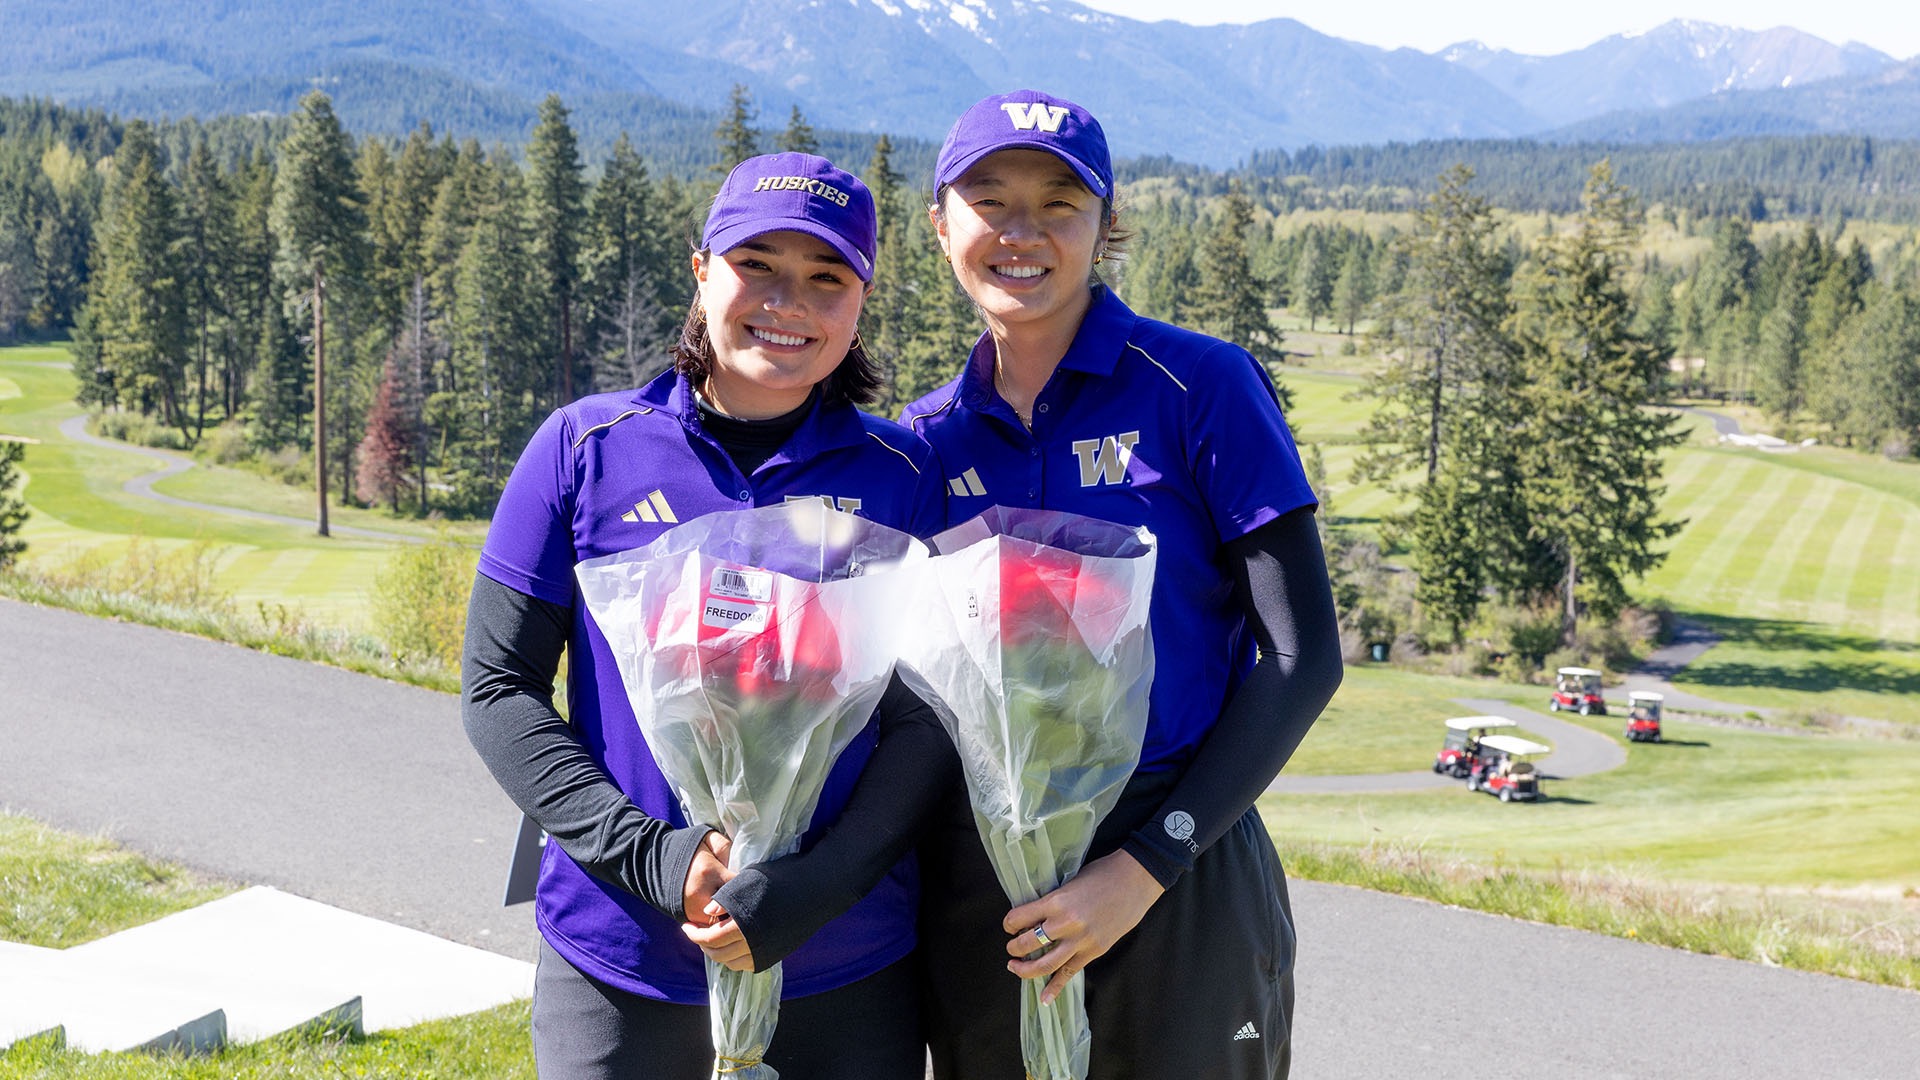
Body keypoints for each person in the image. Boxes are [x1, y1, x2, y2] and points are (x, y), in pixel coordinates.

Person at [463, 151, 952, 1079]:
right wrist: (652, 856)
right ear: (701, 271)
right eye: (756, 264)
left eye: (825, 278)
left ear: (862, 300)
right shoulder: (584, 449)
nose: (788, 300)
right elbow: (498, 690)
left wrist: (819, 886)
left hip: (844, 968)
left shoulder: (903, 475)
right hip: (622, 962)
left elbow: (924, 719)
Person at [901, 90, 1345, 1080]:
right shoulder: (927, 439)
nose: (1024, 234)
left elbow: (1302, 656)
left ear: (1107, 227)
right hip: (995, 884)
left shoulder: (1202, 386)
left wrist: (1146, 865)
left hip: (1180, 861)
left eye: (1061, 204)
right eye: (990, 202)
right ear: (941, 226)